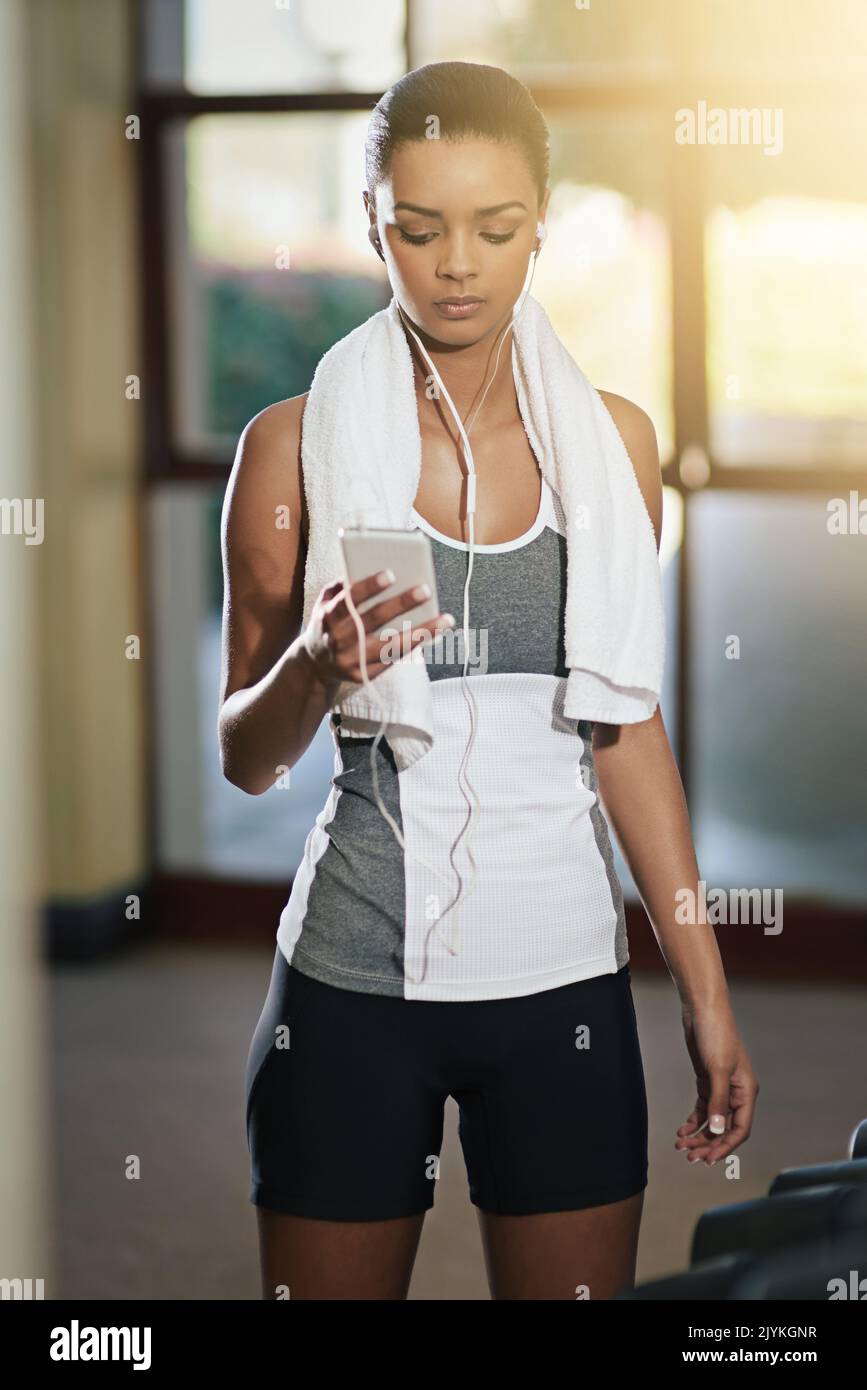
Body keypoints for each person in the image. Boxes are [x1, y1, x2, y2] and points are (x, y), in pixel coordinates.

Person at [219, 60, 759, 1300]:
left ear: (541, 227)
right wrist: (314, 664)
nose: (457, 262)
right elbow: (247, 757)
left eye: (495, 227)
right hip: (351, 981)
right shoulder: (290, 451)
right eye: (419, 227)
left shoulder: (613, 445)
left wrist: (707, 994)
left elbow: (626, 730)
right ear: (373, 224)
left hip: (561, 977)